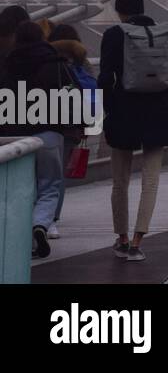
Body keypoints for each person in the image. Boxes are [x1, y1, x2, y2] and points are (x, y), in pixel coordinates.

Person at [97, 0, 168, 263]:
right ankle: (138, 241)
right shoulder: (164, 34)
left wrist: (110, 109)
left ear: (119, 10)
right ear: (143, 8)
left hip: (124, 114)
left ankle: (121, 239)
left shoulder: (113, 35)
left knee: (120, 181)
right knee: (151, 181)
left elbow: (104, 79)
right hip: (158, 115)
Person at [0, 17, 77, 259]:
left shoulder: (6, 65)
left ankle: (17, 233)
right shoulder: (56, 64)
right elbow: (72, 96)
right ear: (42, 39)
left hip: (13, 138)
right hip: (49, 134)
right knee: (49, 186)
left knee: (18, 187)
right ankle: (40, 225)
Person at [49, 23, 97, 239]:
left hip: (43, 123)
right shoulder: (82, 62)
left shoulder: (46, 60)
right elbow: (92, 94)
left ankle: (36, 214)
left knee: (41, 173)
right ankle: (51, 221)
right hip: (71, 126)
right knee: (58, 175)